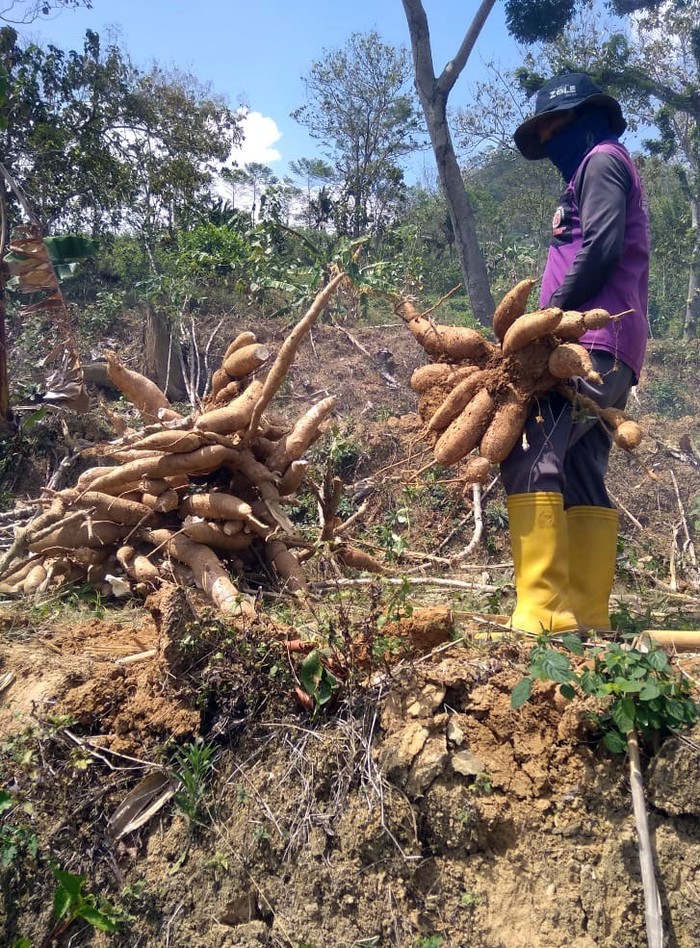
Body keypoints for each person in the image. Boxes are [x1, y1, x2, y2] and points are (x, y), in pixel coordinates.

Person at [502, 72, 650, 634]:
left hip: (589, 344)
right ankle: (587, 613)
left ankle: (543, 614)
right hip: (606, 345)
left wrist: (547, 318)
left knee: (529, 452)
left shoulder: (603, 161)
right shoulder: (590, 170)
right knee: (582, 467)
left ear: (585, 118)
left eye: (552, 126)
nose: (546, 139)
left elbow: (603, 245)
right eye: (539, 133)